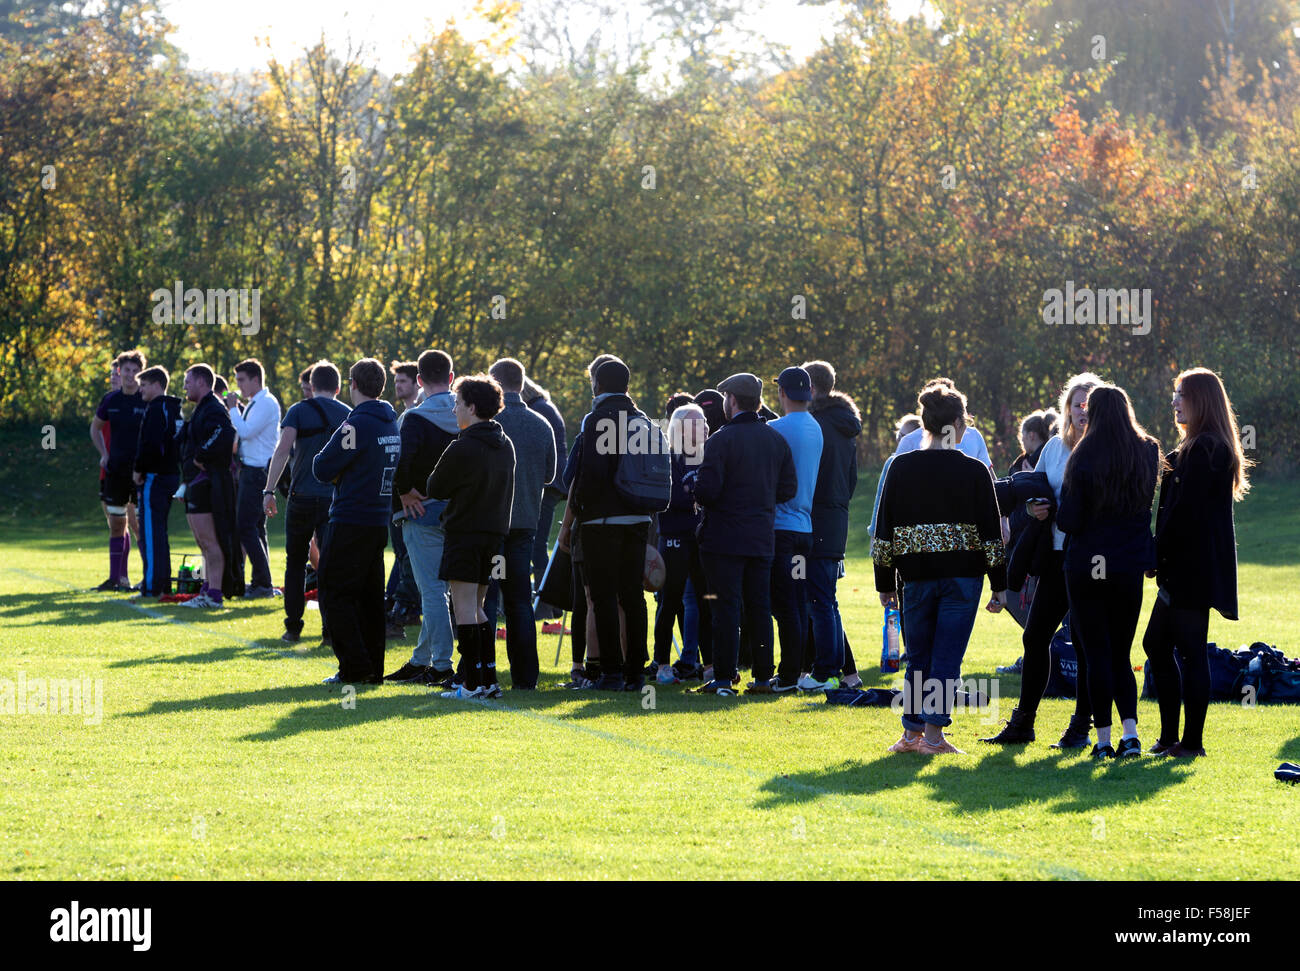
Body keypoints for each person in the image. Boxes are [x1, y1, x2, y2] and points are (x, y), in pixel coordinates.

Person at [874, 382, 1007, 755]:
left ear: (925, 422)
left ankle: (911, 734)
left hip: (914, 578)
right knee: (947, 656)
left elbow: (884, 532)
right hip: (964, 578)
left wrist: (884, 582)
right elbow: (991, 535)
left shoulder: (900, 467)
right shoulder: (976, 471)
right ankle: (933, 735)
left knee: (919, 656)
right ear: (959, 424)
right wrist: (1000, 584)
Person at [980, 372, 1103, 747]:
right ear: (1066, 409)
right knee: (1035, 637)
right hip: (1053, 555)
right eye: (1076, 404)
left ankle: (1081, 727)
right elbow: (1037, 488)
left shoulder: (1109, 447)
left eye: (1088, 404)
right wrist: (1035, 507)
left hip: (1090, 560)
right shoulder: (1054, 447)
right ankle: (1023, 724)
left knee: (1085, 644)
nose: (1082, 411)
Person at [1142, 369, 1250, 760]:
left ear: (1201, 400)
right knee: (1157, 644)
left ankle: (1191, 743)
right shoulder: (1191, 449)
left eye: (1181, 394)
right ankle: (1171, 736)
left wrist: (1156, 553)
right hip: (1179, 567)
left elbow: (1185, 516)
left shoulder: (1209, 451)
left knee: (1190, 652)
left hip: (1192, 569)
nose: (1174, 402)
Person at [1057, 384, 1162, 760]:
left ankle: (1102, 739)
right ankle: (1130, 733)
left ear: (1095, 412)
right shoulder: (1148, 450)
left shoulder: (1084, 453)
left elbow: (1069, 519)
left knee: (1095, 653)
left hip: (1087, 563)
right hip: (1127, 564)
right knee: (1121, 652)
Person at [692, 373, 797, 697]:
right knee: (759, 607)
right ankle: (764, 677)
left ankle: (724, 677)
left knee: (725, 608)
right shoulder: (775, 440)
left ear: (733, 400)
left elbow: (707, 492)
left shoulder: (720, 441)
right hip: (761, 537)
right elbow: (788, 488)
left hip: (723, 539)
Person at [567, 356, 655, 691]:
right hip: (638, 518)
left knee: (603, 596)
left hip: (602, 520)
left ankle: (611, 672)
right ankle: (636, 672)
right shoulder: (642, 419)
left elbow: (590, 473)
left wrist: (577, 511)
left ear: (598, 384)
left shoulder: (597, 418)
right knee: (632, 595)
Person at [312, 358, 401, 685]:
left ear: (352, 385)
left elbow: (321, 467)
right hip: (377, 520)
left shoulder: (357, 424)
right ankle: (372, 669)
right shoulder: (389, 421)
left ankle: (354, 666)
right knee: (368, 597)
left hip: (350, 518)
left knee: (334, 592)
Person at [427, 375, 516, 700]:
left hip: (465, 534)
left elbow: (435, 487)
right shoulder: (505, 443)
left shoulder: (463, 446)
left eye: (458, 403)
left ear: (473, 407)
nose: (454, 410)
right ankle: (487, 679)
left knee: (464, 608)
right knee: (479, 607)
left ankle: (471, 683)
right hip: (495, 537)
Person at [383, 350, 461, 685]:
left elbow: (401, 462)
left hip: (421, 511)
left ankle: (441, 665)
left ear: (419, 381)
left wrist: (403, 491)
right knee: (440, 591)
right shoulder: (466, 413)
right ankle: (421, 659)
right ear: (451, 377)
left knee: (431, 592)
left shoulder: (414, 418)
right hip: (459, 512)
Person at [480, 359, 556, 690]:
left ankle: (484, 670)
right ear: (522, 383)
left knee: (484, 600)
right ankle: (526, 677)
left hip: (491, 524)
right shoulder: (542, 424)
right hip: (525, 524)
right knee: (520, 602)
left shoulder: (486, 421)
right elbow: (552, 475)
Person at [264, 361, 351, 644]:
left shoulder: (299, 411)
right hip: (333, 499)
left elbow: (282, 451)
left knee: (295, 564)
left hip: (301, 497)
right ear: (338, 388)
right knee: (329, 566)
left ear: (311, 386)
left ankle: (293, 628)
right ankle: (330, 630)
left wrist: (269, 490)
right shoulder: (348, 415)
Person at [802, 360, 863, 688]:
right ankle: (845, 673)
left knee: (819, 599)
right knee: (826, 598)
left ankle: (825, 671)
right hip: (836, 517)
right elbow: (851, 478)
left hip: (817, 518)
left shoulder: (816, 425)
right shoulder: (843, 425)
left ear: (810, 388)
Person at [762, 367, 823, 693]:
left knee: (783, 605)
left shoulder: (775, 429)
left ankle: (786, 675)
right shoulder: (816, 428)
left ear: (782, 393)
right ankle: (798, 669)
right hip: (804, 529)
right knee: (798, 602)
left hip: (780, 529)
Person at [652, 403, 711, 683]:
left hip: (703, 540)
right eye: (697, 422)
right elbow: (669, 500)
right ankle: (662, 664)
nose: (706, 426)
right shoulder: (668, 457)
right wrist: (697, 498)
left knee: (707, 601)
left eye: (704, 422)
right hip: (674, 538)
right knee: (670, 601)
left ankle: (711, 664)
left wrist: (695, 496)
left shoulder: (709, 455)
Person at [177, 364, 240, 608]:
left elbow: (224, 433)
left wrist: (200, 456)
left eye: (188, 381)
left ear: (202, 382)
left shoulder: (214, 407)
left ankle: (214, 595)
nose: (185, 386)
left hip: (209, 483)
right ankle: (207, 589)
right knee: (203, 542)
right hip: (195, 483)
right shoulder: (201, 409)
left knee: (211, 540)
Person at [90, 350, 148, 591]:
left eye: (136, 371)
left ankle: (150, 578)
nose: (131, 375)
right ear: (119, 371)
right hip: (116, 472)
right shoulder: (110, 400)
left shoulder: (146, 399)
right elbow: (95, 428)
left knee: (142, 526)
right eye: (127, 370)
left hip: (142, 474)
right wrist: (104, 454)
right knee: (116, 524)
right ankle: (117, 579)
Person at [225, 359, 281, 599]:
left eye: (241, 380)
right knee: (256, 528)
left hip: (257, 471)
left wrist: (231, 408)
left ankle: (263, 583)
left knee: (246, 526)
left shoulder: (266, 403)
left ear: (256, 379)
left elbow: (246, 432)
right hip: (254, 470)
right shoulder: (257, 403)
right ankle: (262, 581)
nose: (238, 386)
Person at [131, 366, 183, 600]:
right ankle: (163, 584)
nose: (140, 389)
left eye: (144, 384)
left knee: (151, 533)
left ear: (157, 385)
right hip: (170, 475)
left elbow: (151, 444)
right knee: (159, 533)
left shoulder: (155, 408)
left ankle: (152, 587)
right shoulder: (174, 410)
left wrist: (139, 469)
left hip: (155, 477)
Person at [521, 375, 568, 609]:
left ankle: (546, 602)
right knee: (537, 543)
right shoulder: (544, 406)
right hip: (552, 483)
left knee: (537, 544)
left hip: (546, 484)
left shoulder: (538, 410)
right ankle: (547, 601)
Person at [385, 360, 422, 633]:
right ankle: (405, 611)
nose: (397, 386)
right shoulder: (401, 416)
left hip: (414, 501)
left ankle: (399, 609)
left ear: (416, 382)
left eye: (402, 381)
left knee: (409, 556)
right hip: (396, 499)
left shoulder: (419, 416)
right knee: (402, 555)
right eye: (395, 382)